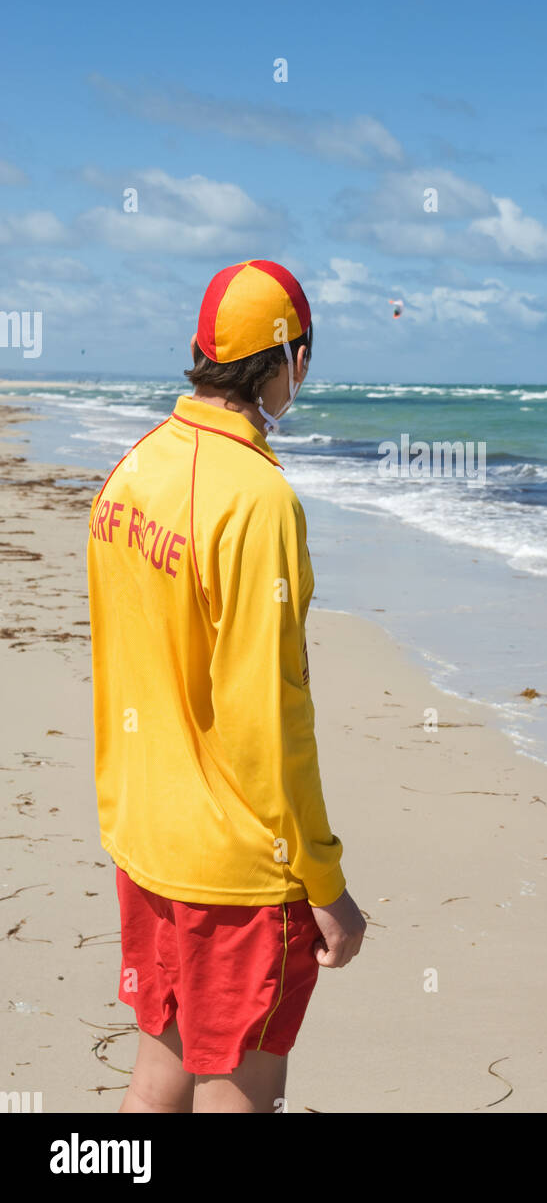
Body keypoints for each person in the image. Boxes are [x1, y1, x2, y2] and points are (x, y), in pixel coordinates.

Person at [86, 259, 366, 1113]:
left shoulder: (133, 468)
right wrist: (324, 881)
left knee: (158, 1075)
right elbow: (266, 716)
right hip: (239, 865)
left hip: (144, 833)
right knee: (242, 1091)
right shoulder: (258, 500)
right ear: (289, 359)